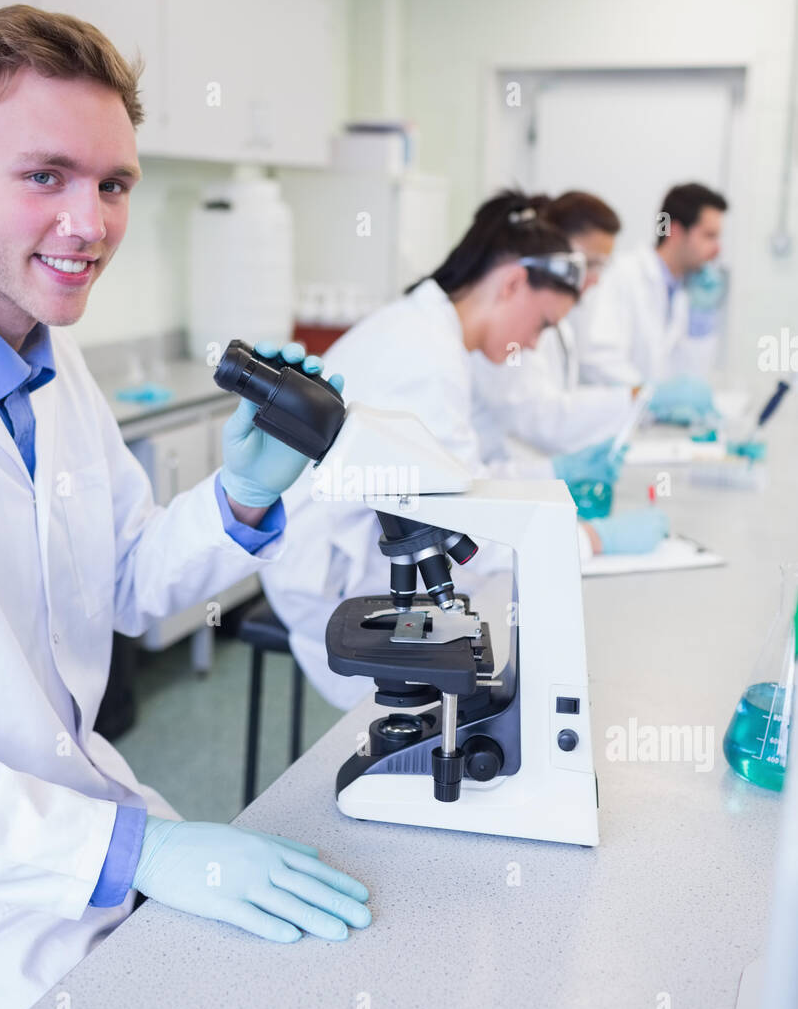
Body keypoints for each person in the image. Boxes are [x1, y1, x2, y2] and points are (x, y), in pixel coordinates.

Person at [0, 5, 370, 1009]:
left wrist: (238, 496)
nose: (89, 221)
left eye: (114, 183)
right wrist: (141, 856)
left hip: (83, 826)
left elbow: (125, 581)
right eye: (46, 176)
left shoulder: (45, 352)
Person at [260, 191, 668, 710]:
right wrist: (590, 540)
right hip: (331, 580)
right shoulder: (426, 355)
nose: (538, 344)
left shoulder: (435, 333)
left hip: (358, 546)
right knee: (492, 649)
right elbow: (461, 525)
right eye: (543, 324)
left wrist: (551, 478)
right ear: (514, 283)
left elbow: (457, 477)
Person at [472, 191, 637, 457]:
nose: (595, 279)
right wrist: (634, 399)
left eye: (601, 267)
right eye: (589, 264)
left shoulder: (561, 323)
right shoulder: (515, 318)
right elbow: (537, 415)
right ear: (555, 245)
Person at [572, 182, 728, 423]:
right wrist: (649, 395)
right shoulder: (620, 276)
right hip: (609, 424)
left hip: (648, 428)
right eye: (709, 236)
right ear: (675, 231)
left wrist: (701, 322)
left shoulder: (685, 292)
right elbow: (597, 359)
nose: (717, 249)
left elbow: (689, 382)